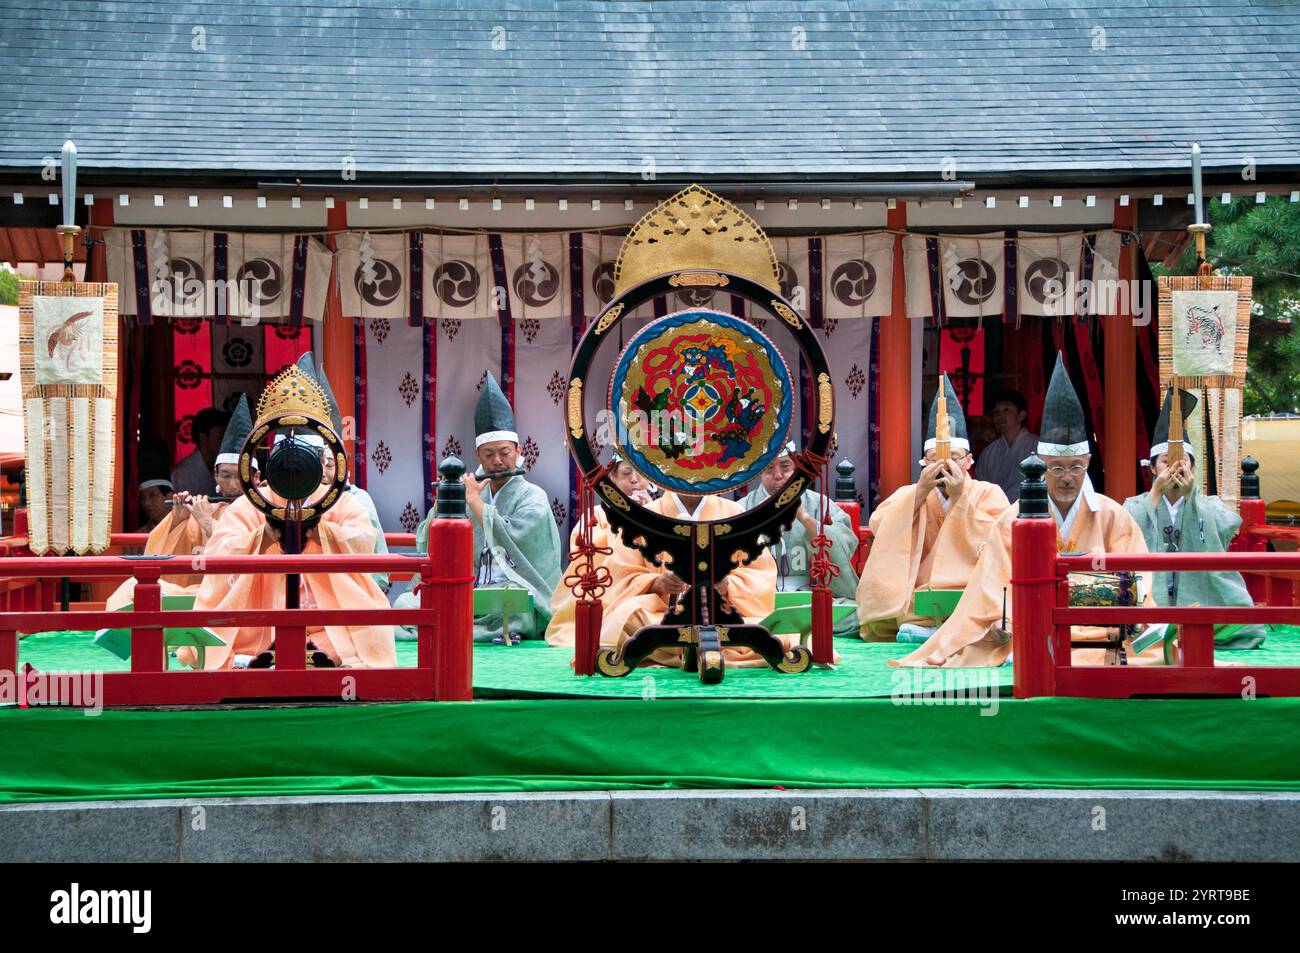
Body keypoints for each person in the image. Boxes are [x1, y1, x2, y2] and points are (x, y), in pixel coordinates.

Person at [893, 354, 1152, 668]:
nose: (1067, 477)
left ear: (1086, 464)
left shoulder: (1114, 517)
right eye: (1056, 468)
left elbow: (1135, 584)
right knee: (1017, 645)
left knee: (1120, 647)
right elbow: (995, 580)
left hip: (1098, 626)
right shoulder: (1013, 518)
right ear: (1041, 466)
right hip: (1029, 624)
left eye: (1074, 467)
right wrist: (1003, 620)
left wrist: (1061, 590)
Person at [178, 362, 395, 670]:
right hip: (257, 618)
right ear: (273, 462)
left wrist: (319, 531)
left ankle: (310, 656)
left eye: (303, 462)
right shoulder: (250, 505)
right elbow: (220, 551)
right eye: (288, 462)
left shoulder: (342, 503)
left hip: (325, 619)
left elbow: (363, 542)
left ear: (322, 460)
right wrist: (262, 537)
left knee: (353, 636)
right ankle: (253, 656)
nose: (295, 470)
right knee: (234, 636)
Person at [400, 372, 562, 642]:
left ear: (519, 451)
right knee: (407, 603)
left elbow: (524, 540)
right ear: (478, 455)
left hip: (513, 588)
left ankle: (460, 628)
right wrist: (447, 500)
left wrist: (476, 504)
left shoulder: (533, 496)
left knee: (518, 610)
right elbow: (429, 538)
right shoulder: (470, 490)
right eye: (488, 454)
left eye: (504, 452)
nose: (497, 460)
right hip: (470, 587)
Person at [857, 374, 1010, 642]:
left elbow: (1001, 544)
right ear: (923, 462)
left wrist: (961, 499)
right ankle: (944, 630)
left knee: (995, 606)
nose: (945, 467)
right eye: (934, 460)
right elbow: (879, 526)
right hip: (922, 599)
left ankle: (959, 629)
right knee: (902, 612)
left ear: (970, 460)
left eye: (954, 459)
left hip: (971, 594)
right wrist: (919, 494)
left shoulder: (988, 493)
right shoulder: (909, 494)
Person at [1123, 387, 1266, 649]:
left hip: (1199, 597)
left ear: (1193, 467)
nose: (1176, 468)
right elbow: (1124, 530)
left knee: (1239, 623)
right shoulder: (1135, 505)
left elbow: (1227, 526)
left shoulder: (1208, 505)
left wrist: (1192, 499)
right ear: (1153, 468)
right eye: (1167, 462)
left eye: (1183, 461)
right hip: (1151, 605)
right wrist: (1155, 494)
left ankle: (1198, 628)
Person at [596, 488, 788, 668]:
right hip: (662, 616)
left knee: (772, 630)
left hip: (724, 615)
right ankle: (703, 650)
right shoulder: (643, 516)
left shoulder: (735, 512)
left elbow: (760, 574)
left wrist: (728, 584)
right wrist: (657, 582)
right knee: (629, 616)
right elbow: (620, 576)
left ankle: (669, 651)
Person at [108, 396, 257, 610]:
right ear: (214, 476)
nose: (232, 484)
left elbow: (245, 561)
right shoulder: (205, 510)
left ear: (256, 477)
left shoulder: (264, 514)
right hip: (201, 594)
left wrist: (208, 524)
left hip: (239, 599)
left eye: (240, 476)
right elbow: (159, 560)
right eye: (225, 475)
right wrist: (177, 523)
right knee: (130, 590)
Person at [739, 441, 860, 636]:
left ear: (796, 467)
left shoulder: (820, 504)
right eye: (769, 469)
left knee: (859, 614)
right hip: (760, 599)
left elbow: (844, 546)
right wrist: (757, 522)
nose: (778, 475)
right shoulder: (742, 507)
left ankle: (781, 627)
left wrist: (806, 520)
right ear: (759, 472)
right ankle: (800, 627)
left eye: (785, 467)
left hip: (810, 599)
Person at [544, 455, 651, 648]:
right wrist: (628, 521)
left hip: (647, 594)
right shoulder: (596, 515)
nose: (634, 480)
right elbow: (583, 552)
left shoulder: (660, 513)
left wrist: (649, 517)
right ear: (613, 479)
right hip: (607, 593)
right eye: (626, 473)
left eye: (641, 474)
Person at [977, 389, 1038, 503]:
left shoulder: (1037, 446)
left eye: (1006, 410)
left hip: (1028, 511)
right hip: (994, 513)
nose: (1000, 416)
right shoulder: (988, 453)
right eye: (996, 412)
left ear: (1021, 415)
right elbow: (980, 488)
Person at [170, 406, 229, 496]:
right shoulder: (181, 474)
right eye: (220, 437)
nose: (224, 441)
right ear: (203, 438)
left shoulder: (223, 465)